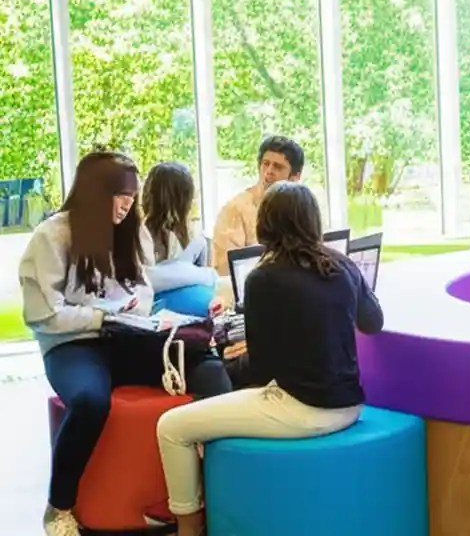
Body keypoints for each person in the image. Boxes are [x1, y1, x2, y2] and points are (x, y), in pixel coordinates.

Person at [155, 182, 384, 536]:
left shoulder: (263, 277)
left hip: (301, 410)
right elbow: (373, 322)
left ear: (266, 222)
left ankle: (190, 527)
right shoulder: (341, 264)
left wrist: (224, 361)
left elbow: (261, 373)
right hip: (349, 405)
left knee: (172, 427)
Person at [20, 152, 230, 536]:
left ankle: (218, 497)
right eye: (120, 195)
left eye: (132, 196)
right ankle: (60, 505)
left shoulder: (133, 233)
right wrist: (101, 314)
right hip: (73, 343)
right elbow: (43, 316)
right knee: (89, 400)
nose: (128, 204)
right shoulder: (52, 236)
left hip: (125, 334)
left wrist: (132, 311)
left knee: (208, 364)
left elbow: (143, 293)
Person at [211, 136, 305, 276]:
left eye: (278, 167)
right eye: (265, 164)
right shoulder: (236, 209)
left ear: (295, 177)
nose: (269, 171)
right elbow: (224, 269)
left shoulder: (304, 207)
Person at [142, 162, 218, 316]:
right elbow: (145, 280)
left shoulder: (197, 239)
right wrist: (207, 275)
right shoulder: (139, 236)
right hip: (158, 319)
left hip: (200, 319)